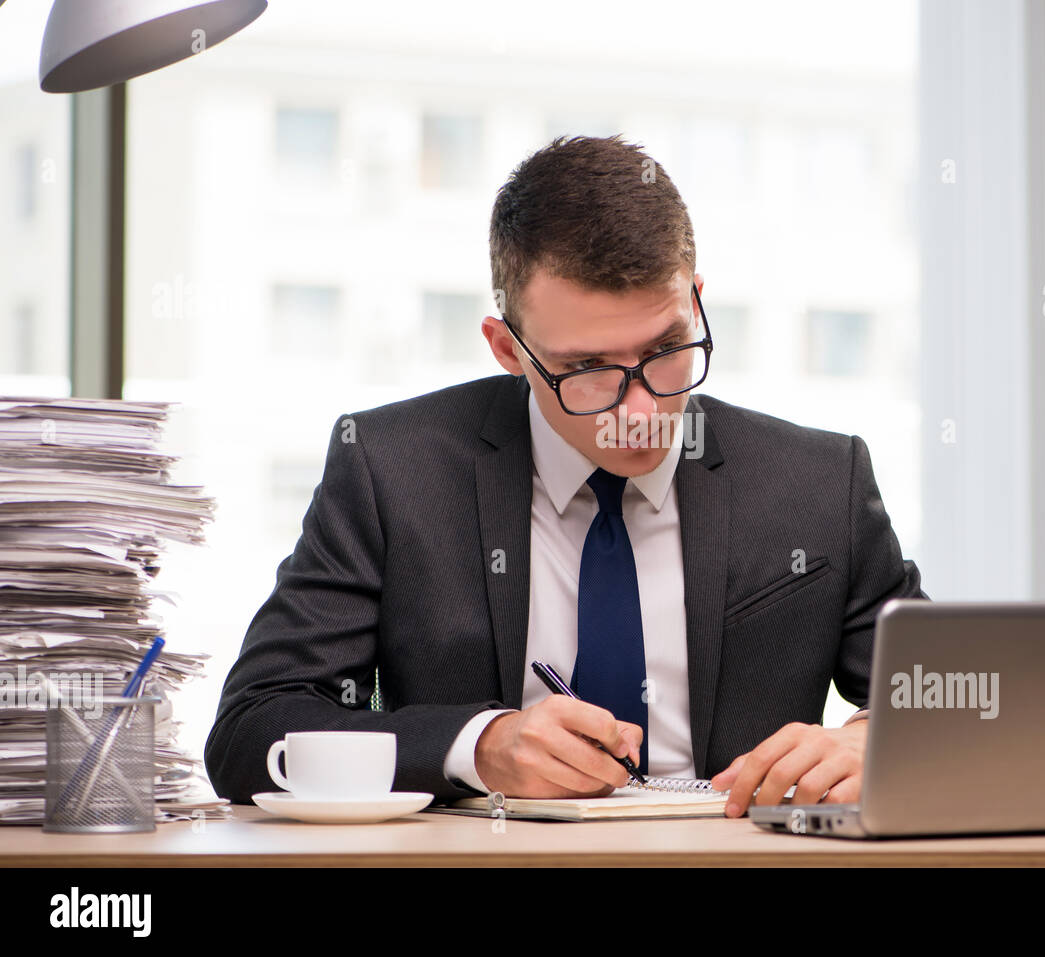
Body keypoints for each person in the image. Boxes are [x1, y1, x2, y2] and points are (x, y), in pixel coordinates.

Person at [204, 134, 924, 818]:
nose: (638, 409)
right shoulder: (391, 470)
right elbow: (252, 730)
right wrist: (478, 746)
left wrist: (875, 738)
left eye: (668, 347)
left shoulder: (820, 482)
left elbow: (953, 698)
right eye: (587, 368)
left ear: (696, 299)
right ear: (506, 348)